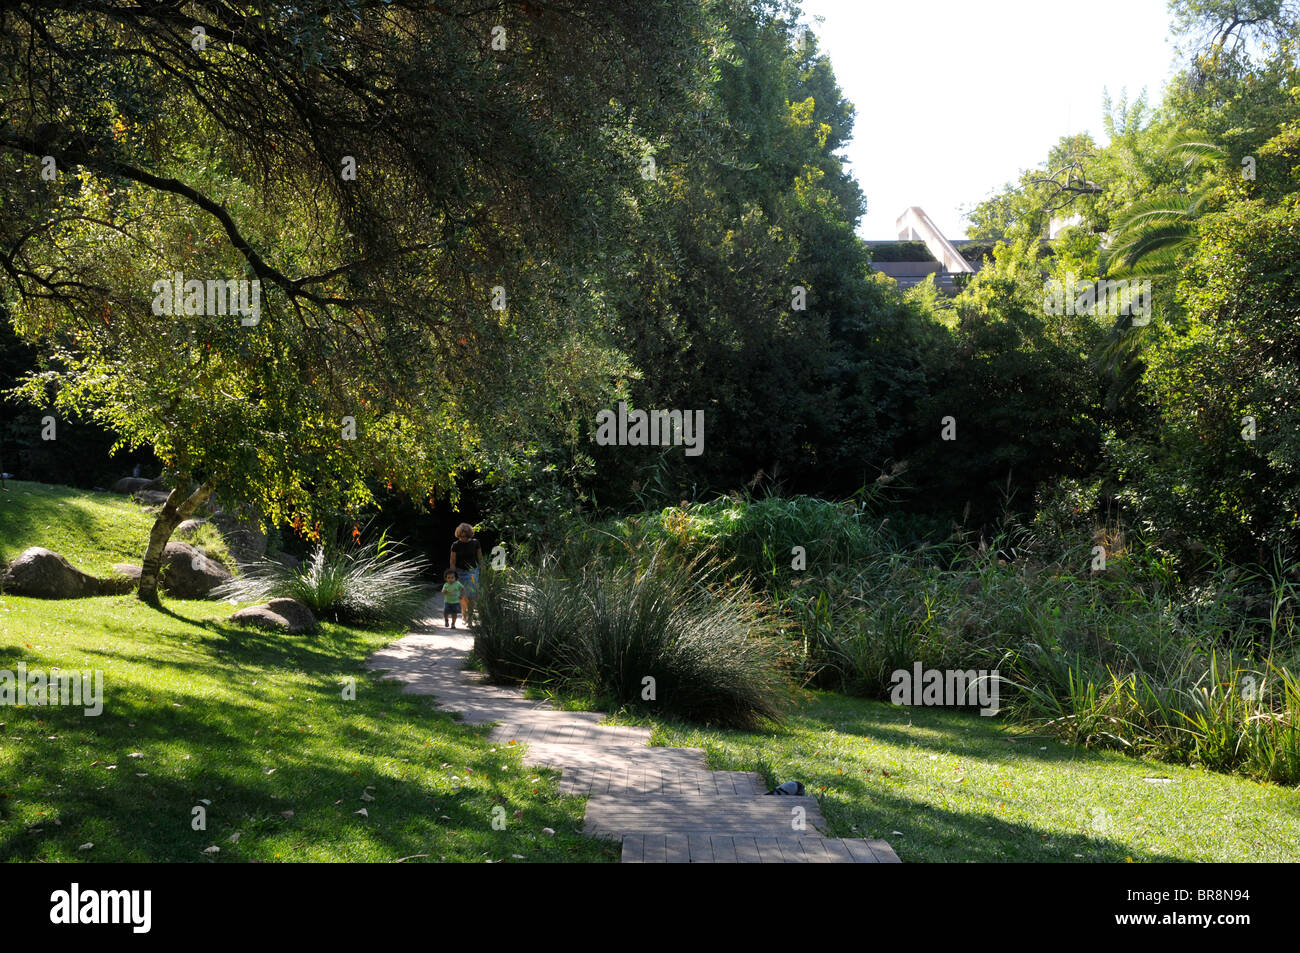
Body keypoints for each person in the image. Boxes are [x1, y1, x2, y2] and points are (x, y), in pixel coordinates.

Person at [449, 522, 482, 625]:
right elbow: (453, 561)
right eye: (461, 536)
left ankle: (470, 618)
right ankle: (464, 615)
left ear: (469, 535)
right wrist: (453, 576)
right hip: (460, 572)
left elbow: (480, 559)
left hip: (472, 571)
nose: (463, 538)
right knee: (463, 596)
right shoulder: (455, 545)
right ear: (458, 535)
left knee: (471, 595)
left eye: (466, 536)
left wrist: (483, 571)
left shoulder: (475, 543)